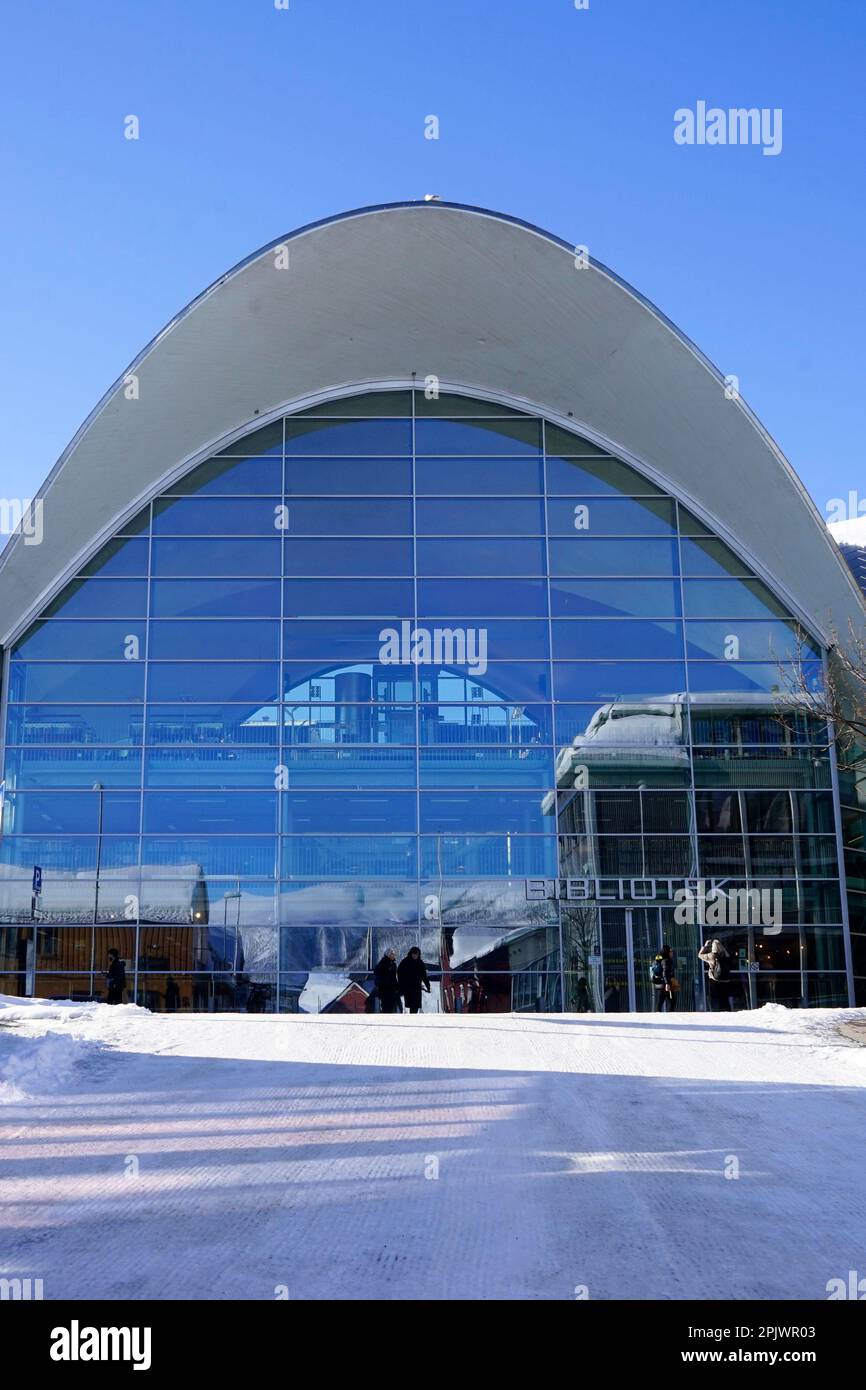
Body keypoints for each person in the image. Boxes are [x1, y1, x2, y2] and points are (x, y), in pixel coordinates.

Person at [699, 938, 732, 1011]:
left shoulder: (712, 956)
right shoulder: (726, 956)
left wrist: (705, 946)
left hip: (715, 979)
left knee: (716, 997)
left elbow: (700, 955)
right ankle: (727, 1010)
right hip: (726, 979)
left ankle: (718, 1010)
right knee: (725, 997)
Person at [397, 946, 430, 1014]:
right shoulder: (405, 962)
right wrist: (401, 983)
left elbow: (424, 975)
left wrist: (428, 985)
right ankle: (411, 1017)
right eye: (414, 954)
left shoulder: (420, 963)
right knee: (411, 1005)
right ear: (411, 954)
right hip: (407, 987)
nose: (415, 956)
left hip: (417, 987)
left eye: (416, 954)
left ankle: (413, 1017)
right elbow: (399, 973)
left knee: (416, 1005)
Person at [650, 944, 677, 1013]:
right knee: (672, 1000)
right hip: (665, 983)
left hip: (663, 983)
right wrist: (667, 983)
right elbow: (665, 973)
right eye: (670, 951)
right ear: (667, 952)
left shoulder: (664, 960)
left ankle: (658, 1012)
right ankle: (670, 1014)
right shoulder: (666, 961)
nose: (672, 953)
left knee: (662, 999)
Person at [373, 948, 401, 1013]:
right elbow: (376, 972)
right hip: (384, 988)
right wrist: (384, 979)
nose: (393, 955)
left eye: (394, 954)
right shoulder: (383, 962)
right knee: (386, 1006)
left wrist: (397, 986)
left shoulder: (393, 964)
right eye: (391, 954)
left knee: (392, 1005)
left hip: (392, 988)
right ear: (388, 954)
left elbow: (394, 977)